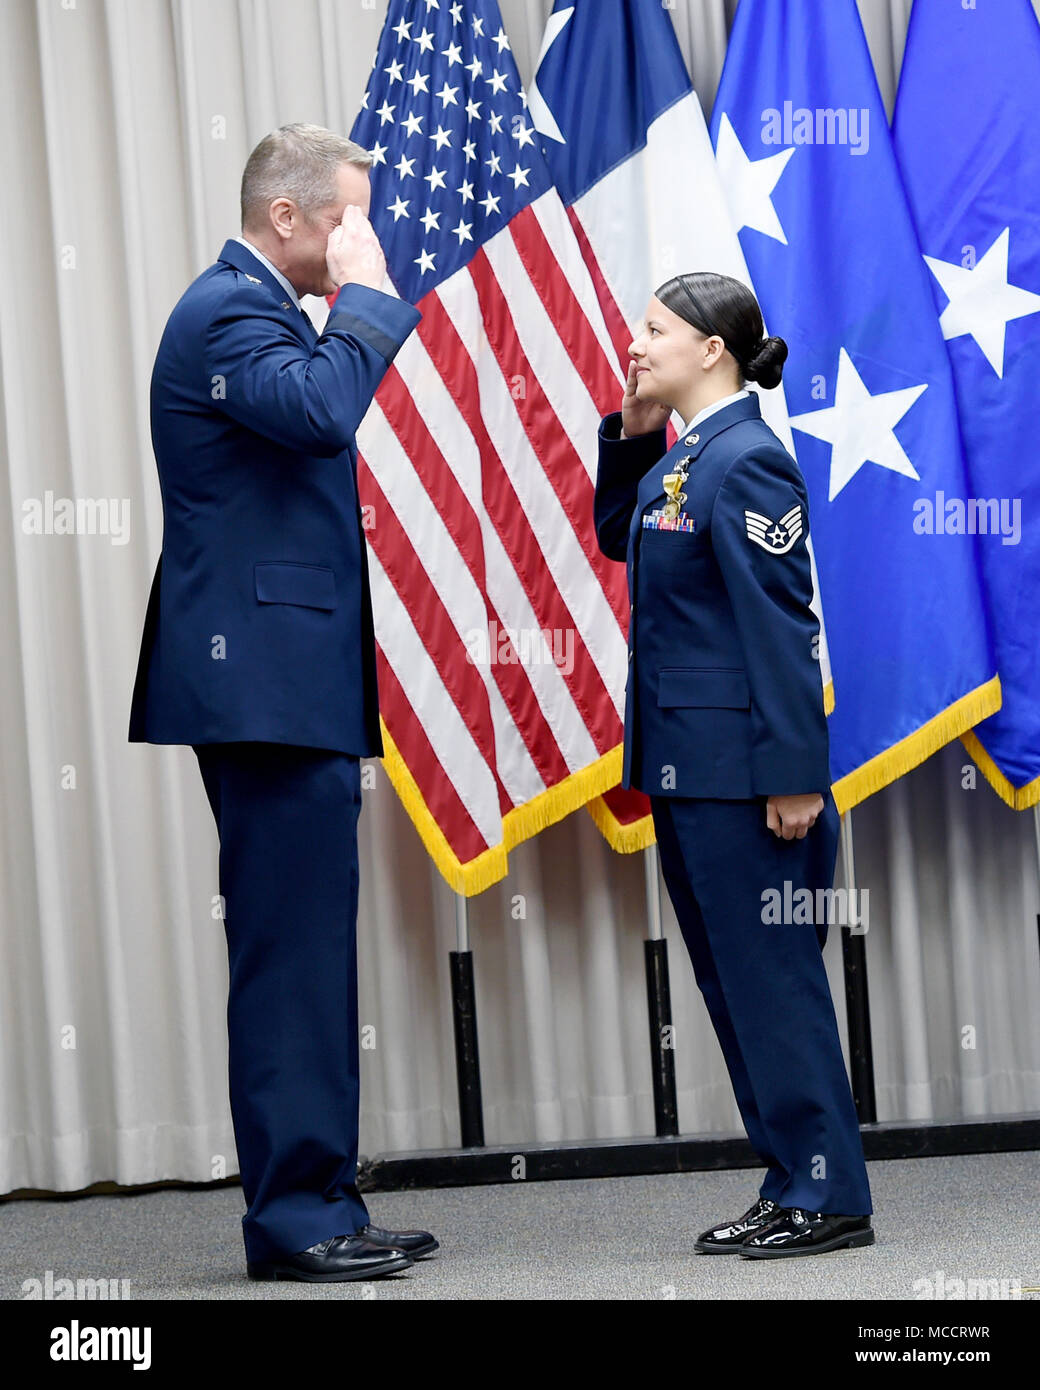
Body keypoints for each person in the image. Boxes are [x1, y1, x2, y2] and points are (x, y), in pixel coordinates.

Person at [129, 123, 437, 1282]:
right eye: (352, 216)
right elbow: (319, 412)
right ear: (290, 218)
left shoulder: (259, 311)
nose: (369, 237)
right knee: (286, 958)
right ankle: (296, 1220)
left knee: (309, 955)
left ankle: (326, 1200)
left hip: (286, 688)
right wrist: (366, 300)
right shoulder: (224, 312)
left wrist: (347, 303)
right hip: (258, 687)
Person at [594, 271, 874, 1258]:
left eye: (653, 329)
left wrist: (794, 773)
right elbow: (613, 536)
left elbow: (781, 631)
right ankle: (788, 1176)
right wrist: (630, 431)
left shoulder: (747, 461)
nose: (633, 341)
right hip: (688, 772)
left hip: (748, 782)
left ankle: (828, 1191)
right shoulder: (688, 457)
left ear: (711, 347)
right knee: (730, 984)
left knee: (773, 984)